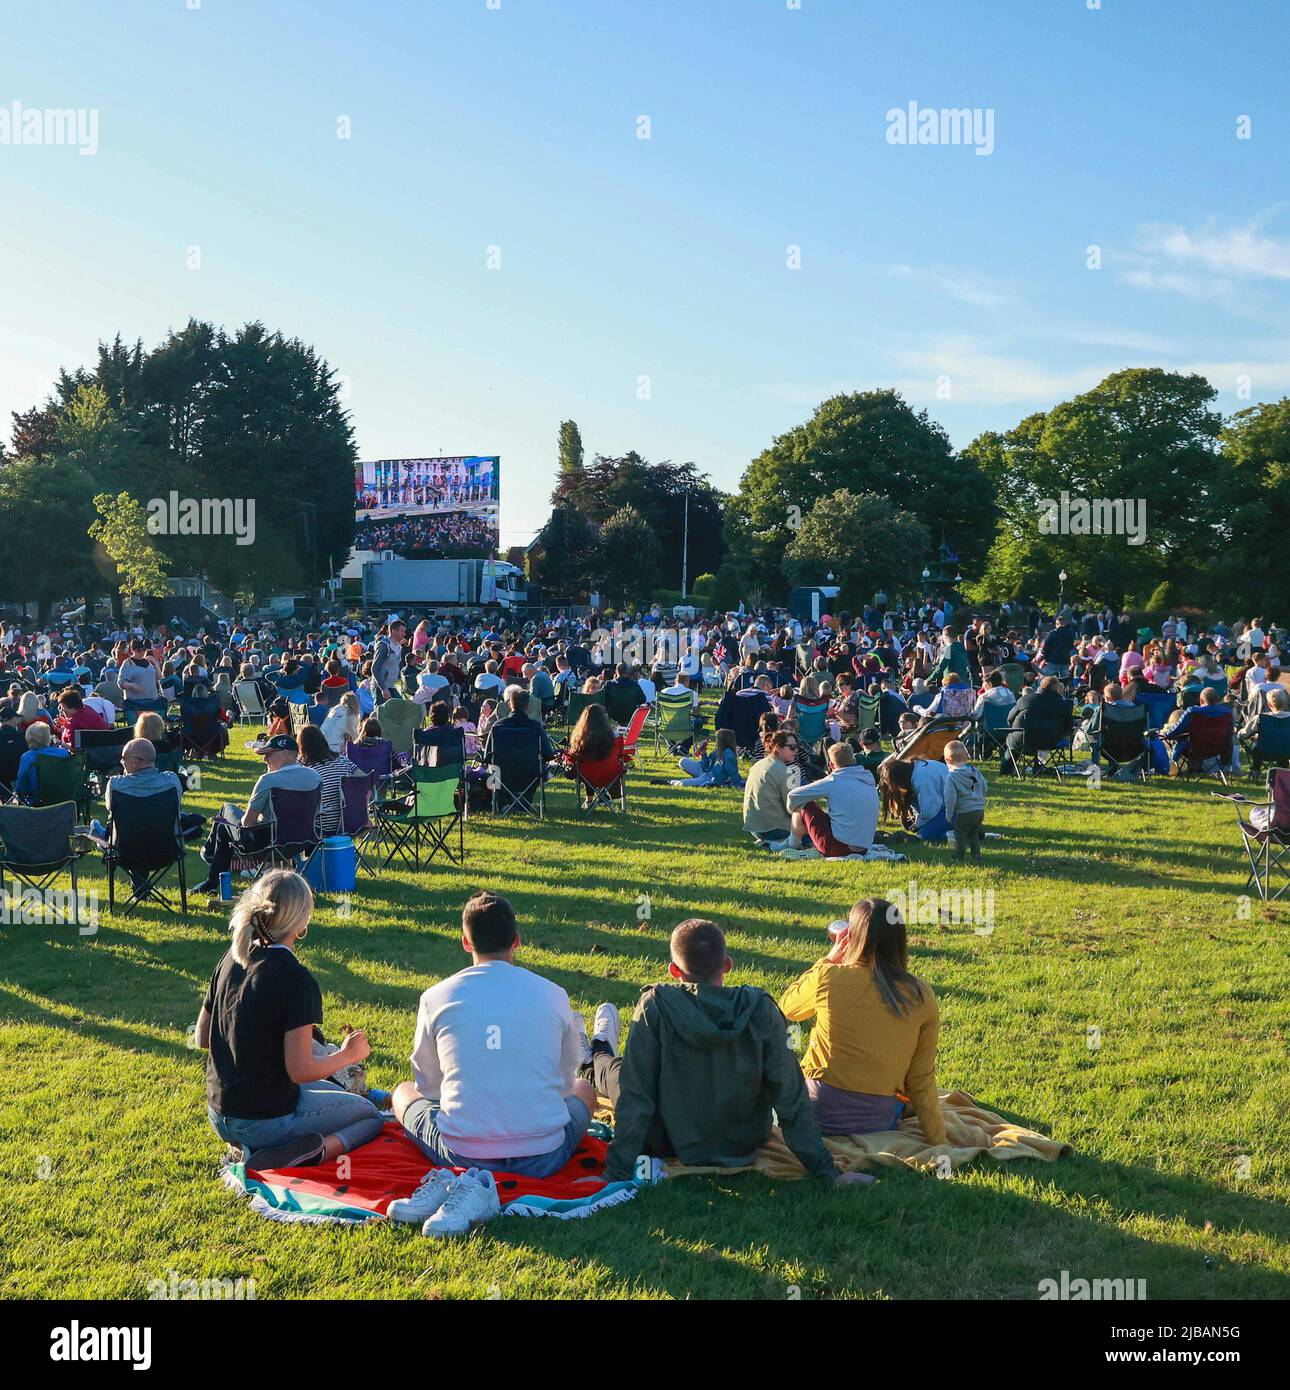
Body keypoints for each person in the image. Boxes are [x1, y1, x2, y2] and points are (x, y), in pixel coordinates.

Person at [590, 918, 866, 1184]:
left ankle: (597, 1052)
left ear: (674, 971)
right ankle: (597, 1056)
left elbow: (636, 1095)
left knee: (616, 1071)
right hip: (743, 1140)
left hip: (667, 1140)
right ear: (728, 965)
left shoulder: (656, 1007)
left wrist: (614, 1173)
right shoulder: (761, 1009)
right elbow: (790, 1094)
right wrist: (827, 1171)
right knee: (620, 1072)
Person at [391, 892, 595, 1180]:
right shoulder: (552, 994)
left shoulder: (436, 997)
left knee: (403, 1092)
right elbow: (564, 1083)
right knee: (583, 1088)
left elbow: (428, 1086)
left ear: (465, 942)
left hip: (463, 1154)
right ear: (516, 940)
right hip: (544, 1155)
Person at [195, 869, 383, 1170]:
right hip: (265, 1119)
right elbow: (301, 1070)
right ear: (301, 921)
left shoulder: (230, 958)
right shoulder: (294, 978)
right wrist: (348, 1054)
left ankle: (251, 1147)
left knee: (335, 1092)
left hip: (219, 1113)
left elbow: (201, 1037)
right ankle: (309, 1152)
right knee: (370, 1117)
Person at [779, 900, 947, 1145]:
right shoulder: (921, 994)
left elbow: (787, 1008)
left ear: (852, 938)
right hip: (876, 1123)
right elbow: (920, 1079)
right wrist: (939, 1140)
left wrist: (827, 961)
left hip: (816, 1113)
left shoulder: (828, 976)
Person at [196, 734, 323, 895]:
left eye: (269, 754)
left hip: (269, 842)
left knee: (225, 813)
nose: (265, 760)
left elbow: (247, 823)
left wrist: (244, 818)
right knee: (225, 824)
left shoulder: (268, 780)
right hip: (305, 839)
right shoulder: (315, 777)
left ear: (285, 754)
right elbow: (318, 812)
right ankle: (212, 878)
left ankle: (210, 862)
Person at [782, 741, 880, 858]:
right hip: (863, 847)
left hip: (837, 848)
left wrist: (793, 812)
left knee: (805, 804)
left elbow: (793, 796)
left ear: (831, 765)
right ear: (853, 759)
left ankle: (792, 843)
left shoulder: (834, 780)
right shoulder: (868, 779)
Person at [297, 724, 361, 834]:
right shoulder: (342, 759)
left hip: (320, 824)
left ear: (302, 745)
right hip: (349, 821)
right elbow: (364, 778)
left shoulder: (304, 766)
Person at [742, 729, 799, 847]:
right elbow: (794, 806)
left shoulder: (758, 765)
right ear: (778, 747)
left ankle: (769, 842)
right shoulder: (785, 772)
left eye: (797, 747)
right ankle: (778, 844)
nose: (796, 750)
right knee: (815, 833)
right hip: (773, 828)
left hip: (754, 827)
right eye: (792, 747)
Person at [942, 739, 986, 861]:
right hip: (979, 809)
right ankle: (976, 854)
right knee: (973, 833)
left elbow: (950, 798)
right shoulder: (974, 770)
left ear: (947, 760)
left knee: (960, 834)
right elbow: (984, 786)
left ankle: (959, 856)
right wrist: (980, 798)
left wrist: (949, 814)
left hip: (965, 811)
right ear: (966, 757)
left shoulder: (952, 777)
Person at [14, 720, 71, 801]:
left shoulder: (27, 757)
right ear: (48, 737)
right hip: (63, 796)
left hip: (37, 799)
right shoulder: (63, 753)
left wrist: (18, 792)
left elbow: (21, 783)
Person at [674, 728, 743, 788]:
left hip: (710, 778)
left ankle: (671, 782)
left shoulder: (728, 753)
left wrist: (738, 784)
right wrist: (703, 753)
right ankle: (673, 782)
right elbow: (706, 767)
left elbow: (732, 771)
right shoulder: (717, 751)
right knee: (683, 761)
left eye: (718, 739)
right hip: (707, 775)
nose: (716, 742)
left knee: (683, 783)